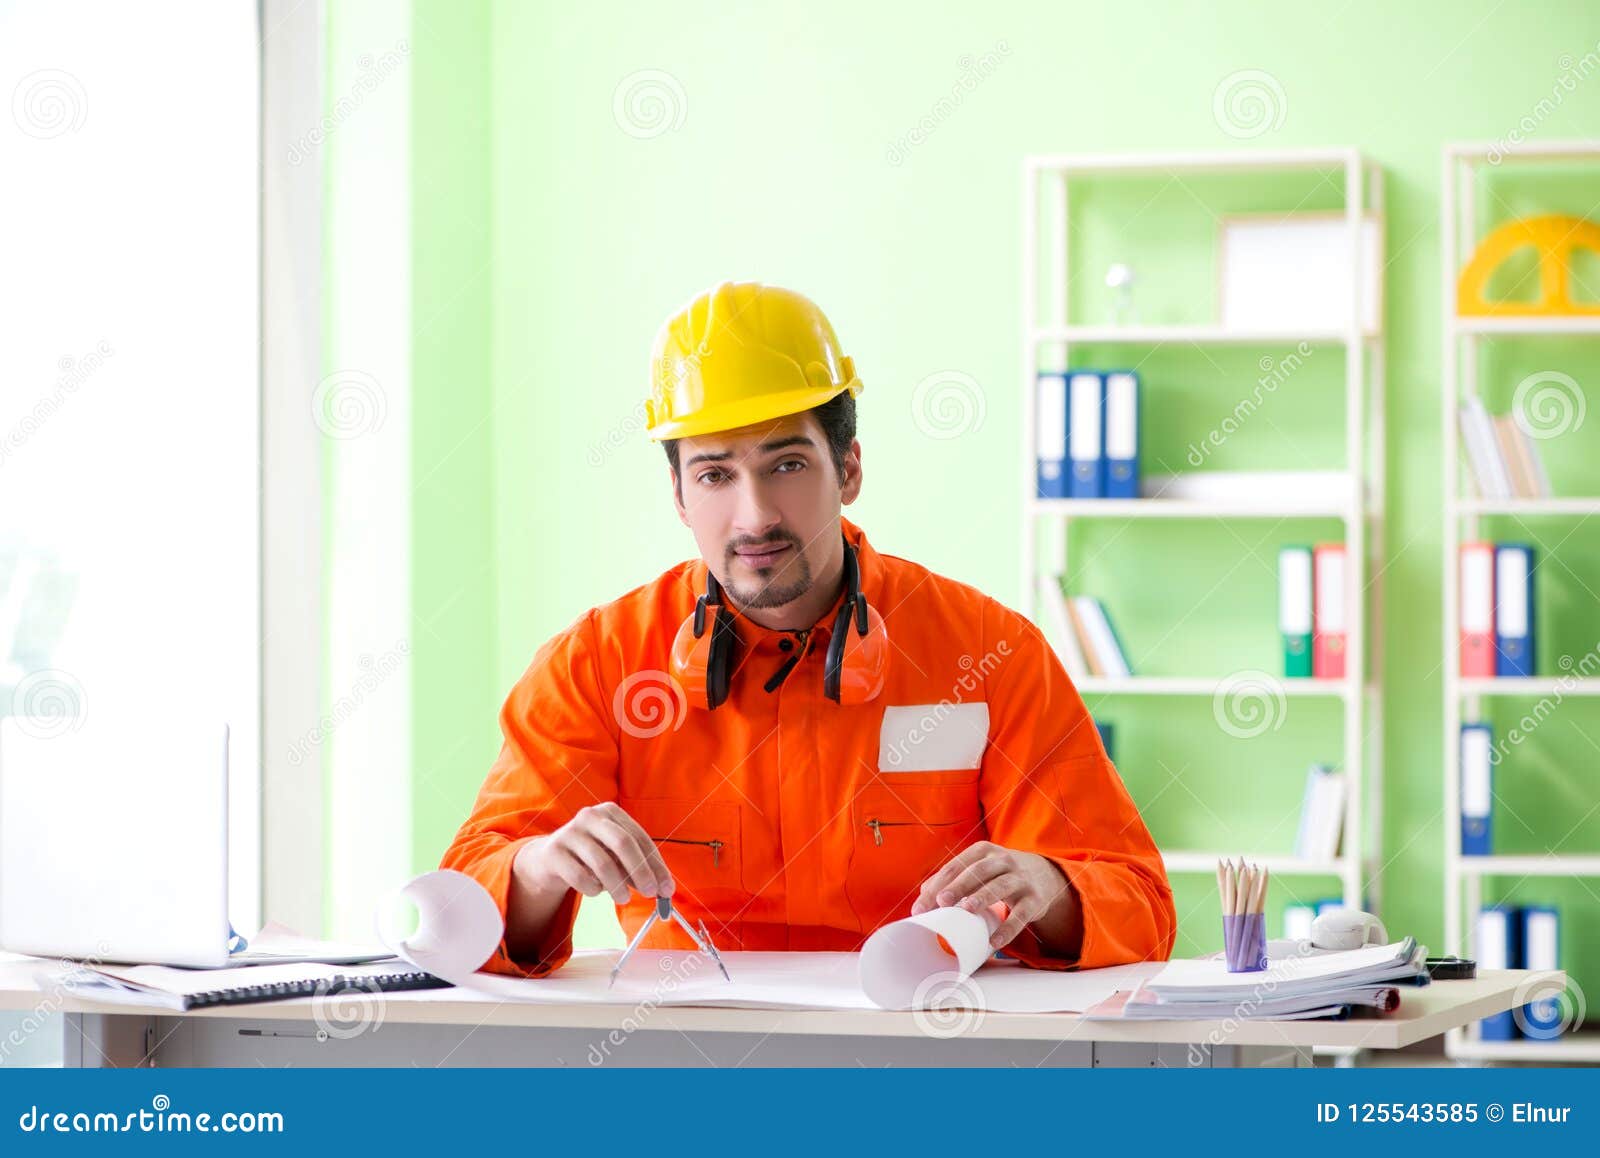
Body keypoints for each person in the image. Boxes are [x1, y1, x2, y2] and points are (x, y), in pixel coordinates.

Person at [440, 281, 1175, 978]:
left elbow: (1139, 904)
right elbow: (461, 902)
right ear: (677, 494)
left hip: (921, 1047)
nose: (755, 516)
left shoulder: (989, 652)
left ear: (848, 468)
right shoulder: (598, 664)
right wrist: (536, 869)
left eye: (786, 463)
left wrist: (1050, 885)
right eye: (715, 475)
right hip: (686, 1058)